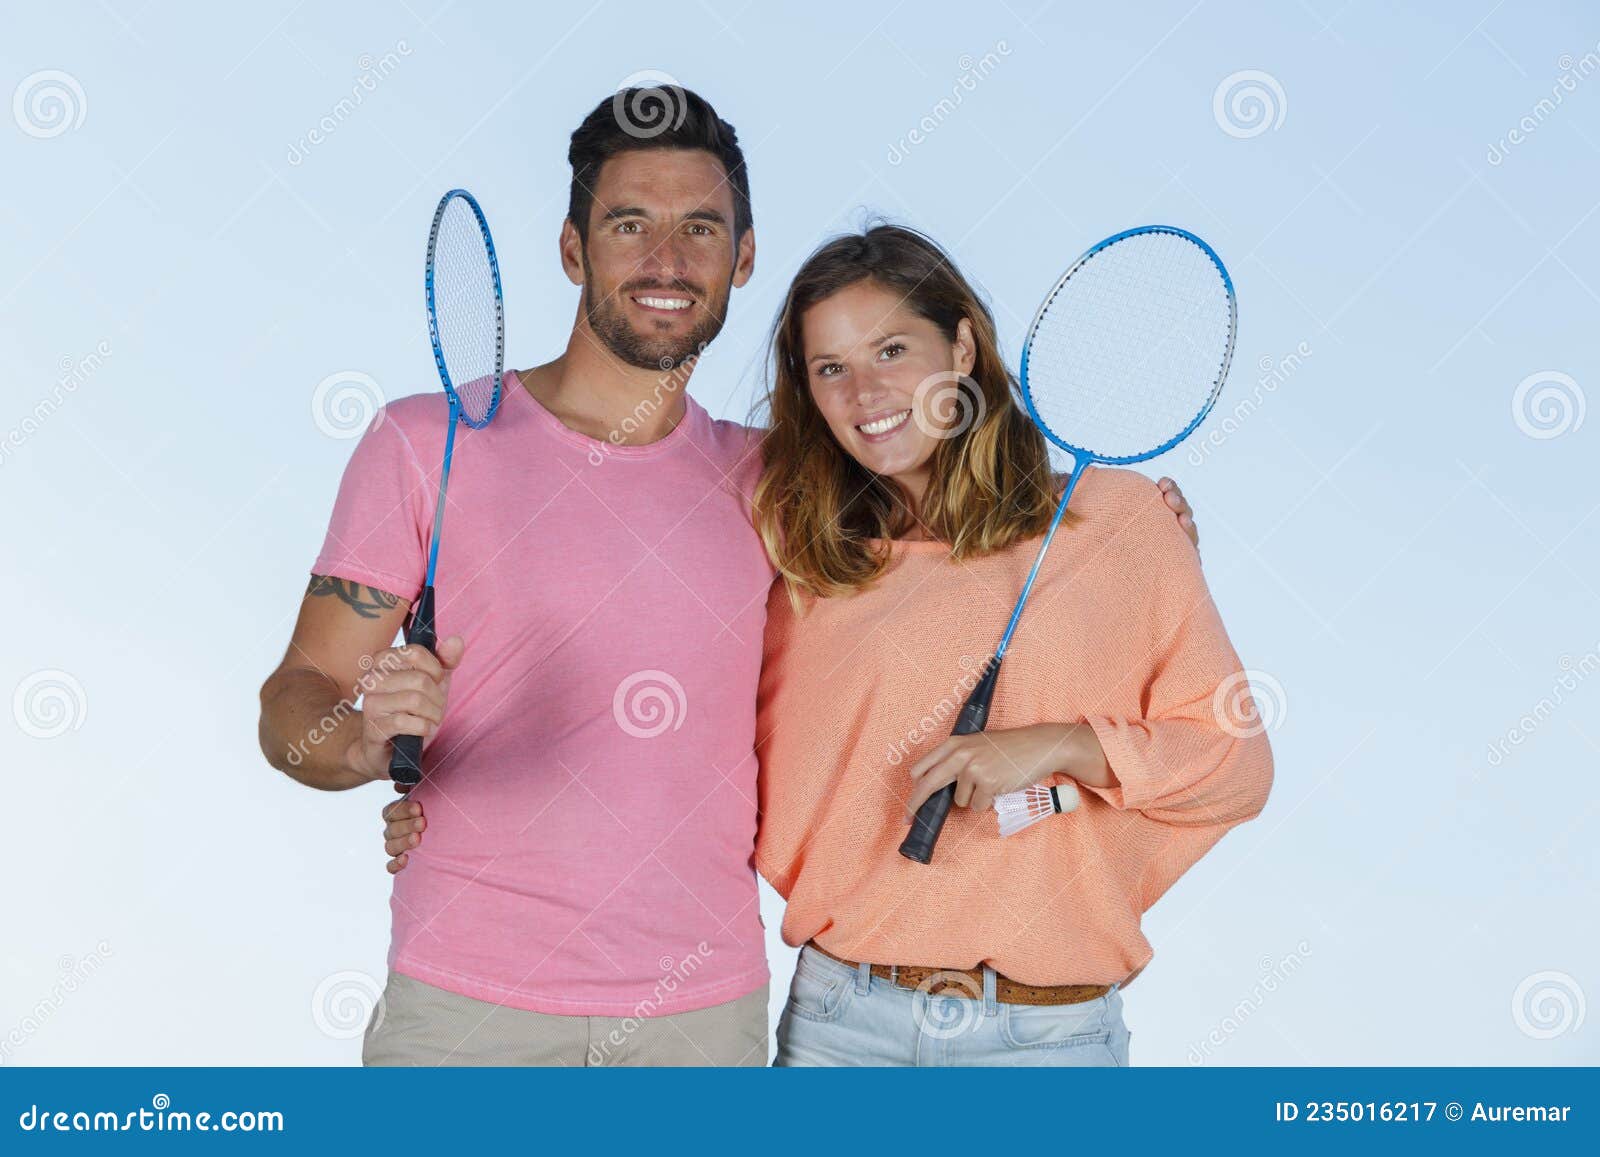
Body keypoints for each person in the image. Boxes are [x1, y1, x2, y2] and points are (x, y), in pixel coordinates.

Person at [284, 84, 1198, 1066]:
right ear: (572, 249)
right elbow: (297, 701)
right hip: (464, 1005)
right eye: (629, 223)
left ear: (743, 257)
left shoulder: (778, 484)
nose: (666, 260)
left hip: (701, 1015)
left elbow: (955, 529)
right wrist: (364, 744)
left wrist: (1116, 525)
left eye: (700, 229)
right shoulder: (424, 443)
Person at [749, 225, 1273, 1066]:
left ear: (961, 346)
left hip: (1048, 1041)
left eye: (892, 349)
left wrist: (1057, 745)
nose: (866, 391)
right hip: (842, 1025)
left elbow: (1235, 763)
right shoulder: (793, 552)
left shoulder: (1120, 522)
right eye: (830, 367)